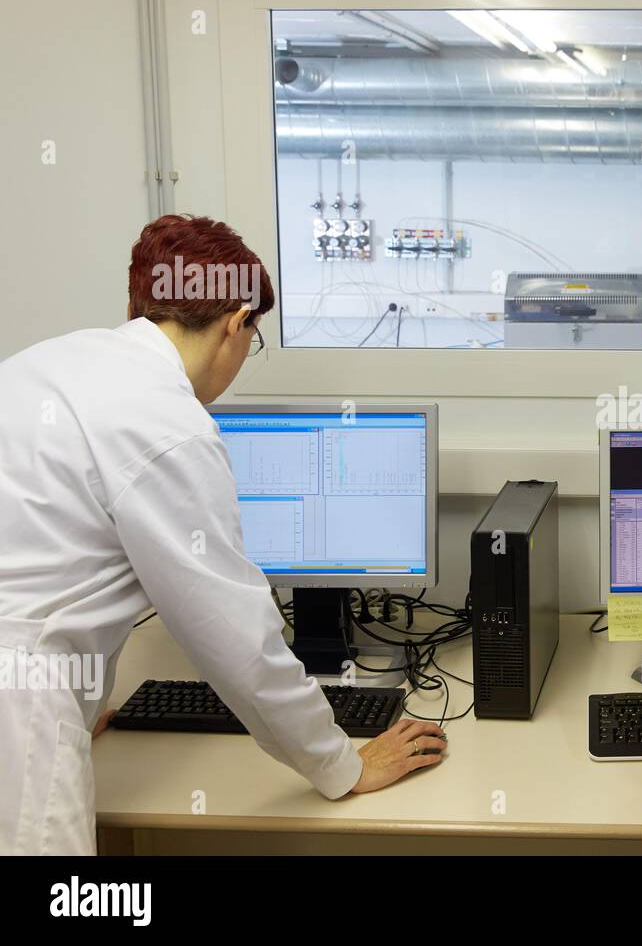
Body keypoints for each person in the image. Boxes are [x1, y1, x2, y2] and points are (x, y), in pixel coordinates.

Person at [0, 215, 446, 856]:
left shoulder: (48, 366)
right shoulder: (165, 423)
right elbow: (236, 640)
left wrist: (84, 694)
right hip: (20, 725)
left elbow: (59, 571)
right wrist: (343, 767)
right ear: (238, 323)